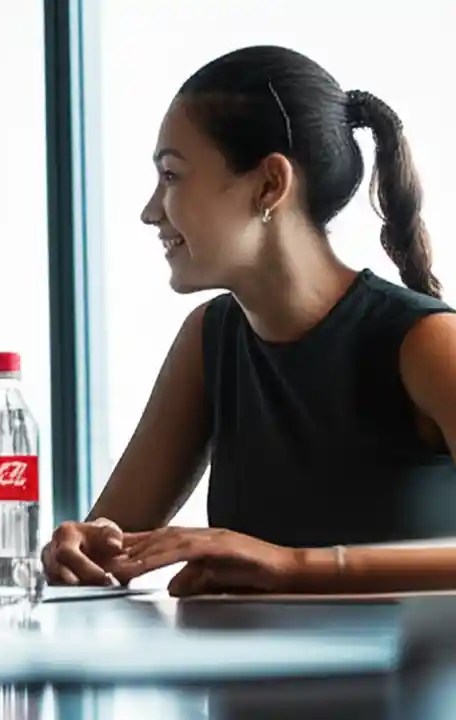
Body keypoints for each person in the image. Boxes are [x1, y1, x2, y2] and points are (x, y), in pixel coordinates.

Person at [43, 45, 456, 597]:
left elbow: (283, 566)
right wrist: (80, 545)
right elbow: (106, 550)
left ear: (269, 186)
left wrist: (292, 566)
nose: (151, 210)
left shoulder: (425, 342)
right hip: (247, 682)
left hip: (409, 685)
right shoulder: (207, 340)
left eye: (171, 175)